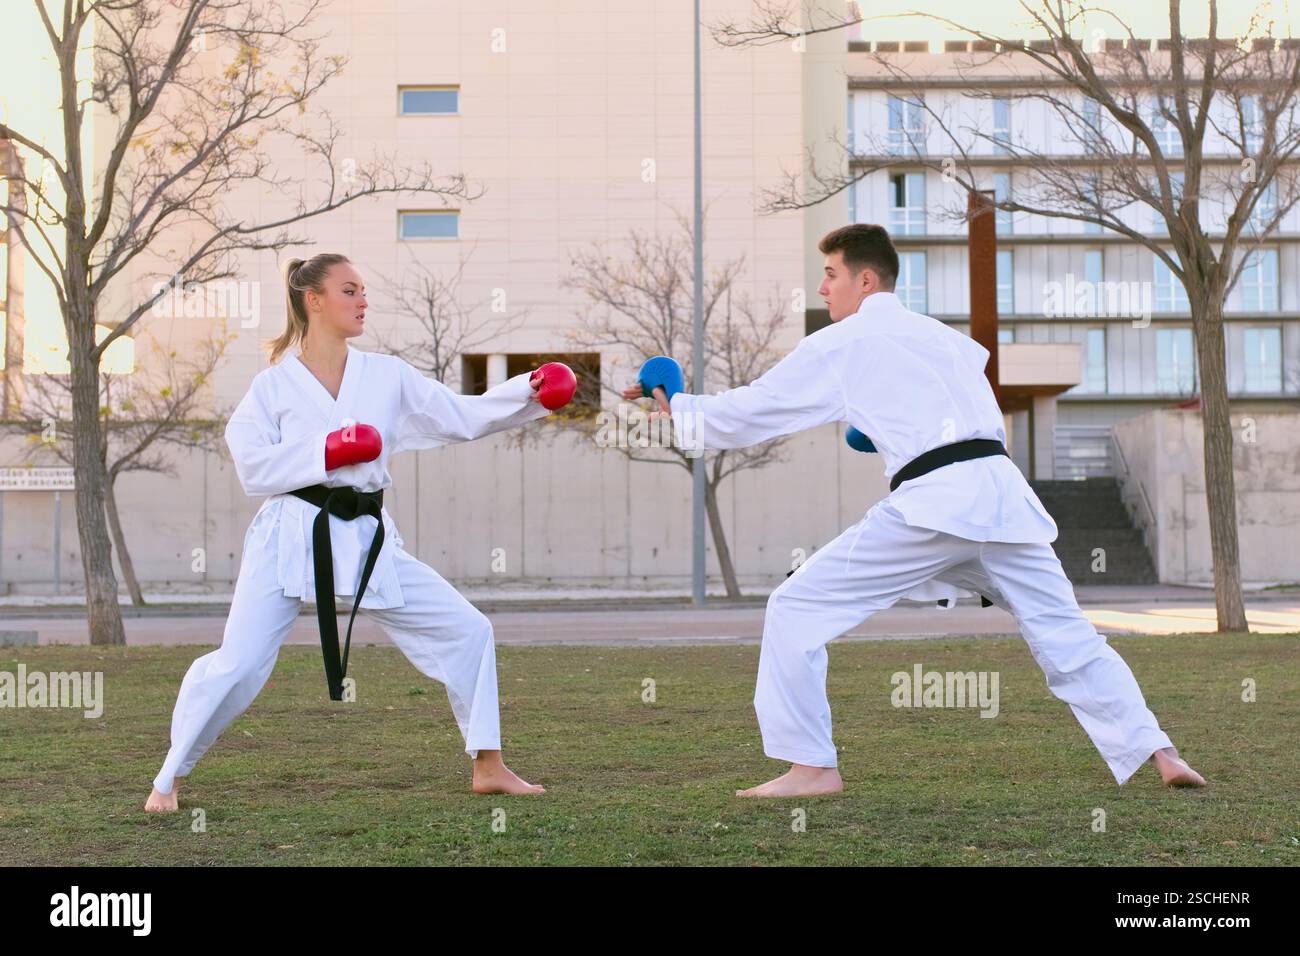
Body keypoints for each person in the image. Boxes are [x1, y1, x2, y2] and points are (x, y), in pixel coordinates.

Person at [624, 224, 1206, 798]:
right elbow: (941, 417)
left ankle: (812, 769)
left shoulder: (843, 342)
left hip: (933, 505)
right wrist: (878, 434)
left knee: (795, 607)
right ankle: (1161, 752)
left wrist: (676, 401)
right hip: (1004, 500)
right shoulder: (945, 341)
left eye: (831, 275)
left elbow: (752, 412)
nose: (823, 289)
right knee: (1068, 633)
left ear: (866, 280)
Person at [145, 253, 575, 811]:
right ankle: (168, 779)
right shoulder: (272, 387)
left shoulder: (387, 375)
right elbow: (252, 468)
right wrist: (329, 451)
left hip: (367, 534)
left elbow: (459, 416)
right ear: (314, 300)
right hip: (291, 534)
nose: (363, 300)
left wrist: (528, 391)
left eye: (364, 290)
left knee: (468, 630)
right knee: (241, 663)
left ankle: (488, 766)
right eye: (349, 291)